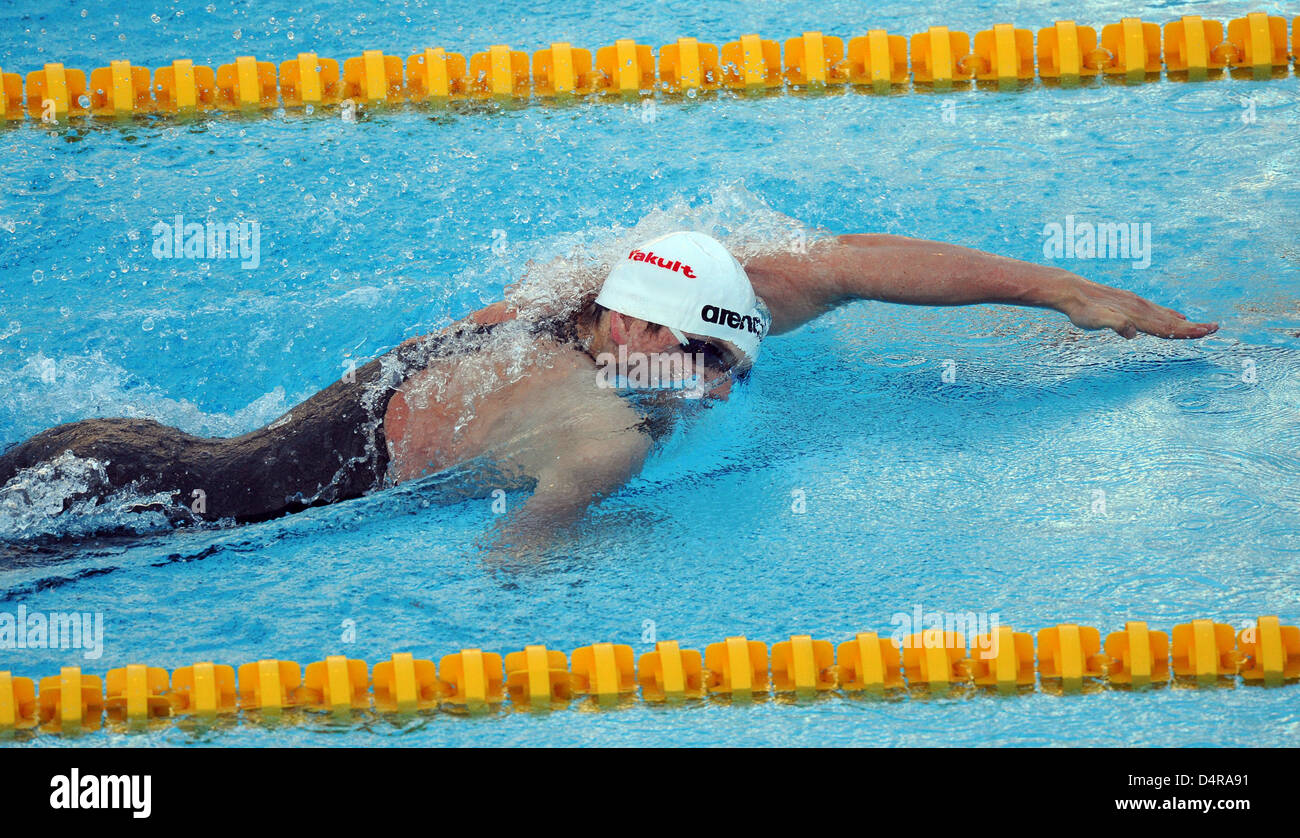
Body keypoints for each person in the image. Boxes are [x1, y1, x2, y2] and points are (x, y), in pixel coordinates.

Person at [0, 229, 1217, 545]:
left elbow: (842, 269)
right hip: (158, 525)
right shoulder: (605, 433)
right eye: (702, 362)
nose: (717, 391)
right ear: (637, 326)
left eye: (733, 367)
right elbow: (518, 563)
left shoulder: (563, 298)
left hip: (123, 442)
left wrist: (1065, 290)